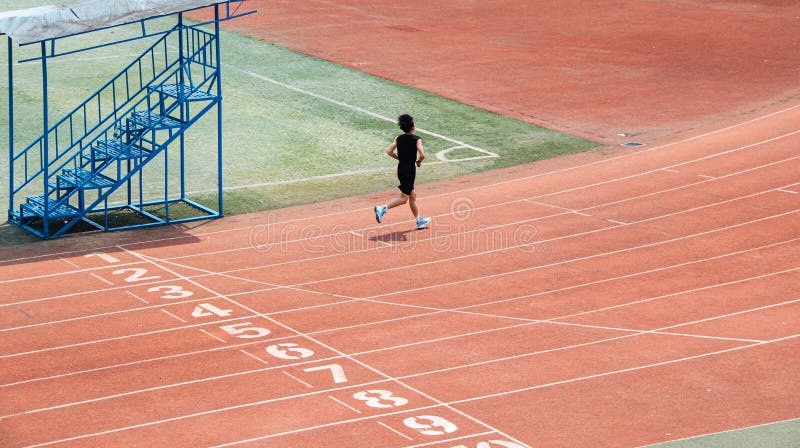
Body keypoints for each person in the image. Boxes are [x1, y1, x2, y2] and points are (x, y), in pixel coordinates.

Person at [374, 114, 431, 230]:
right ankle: (383, 208)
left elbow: (389, 152)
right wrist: (419, 162)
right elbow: (422, 155)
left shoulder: (398, 138)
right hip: (409, 171)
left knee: (412, 196)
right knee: (404, 198)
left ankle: (419, 220)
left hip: (401, 169)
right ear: (413, 128)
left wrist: (400, 158)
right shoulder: (417, 139)